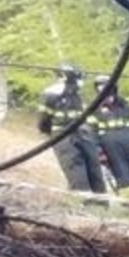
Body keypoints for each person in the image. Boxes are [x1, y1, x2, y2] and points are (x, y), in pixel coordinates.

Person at [36, 64, 106, 193]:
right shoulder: (52, 93)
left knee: (93, 168)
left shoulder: (76, 94)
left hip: (81, 133)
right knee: (76, 170)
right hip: (63, 135)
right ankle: (85, 200)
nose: (81, 82)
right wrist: (51, 133)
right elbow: (44, 120)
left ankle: (100, 200)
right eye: (78, 78)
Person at [90, 75, 129, 200]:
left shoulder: (125, 106)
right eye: (101, 90)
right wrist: (99, 152)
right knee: (123, 178)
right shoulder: (94, 110)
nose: (106, 95)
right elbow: (92, 134)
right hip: (112, 152)